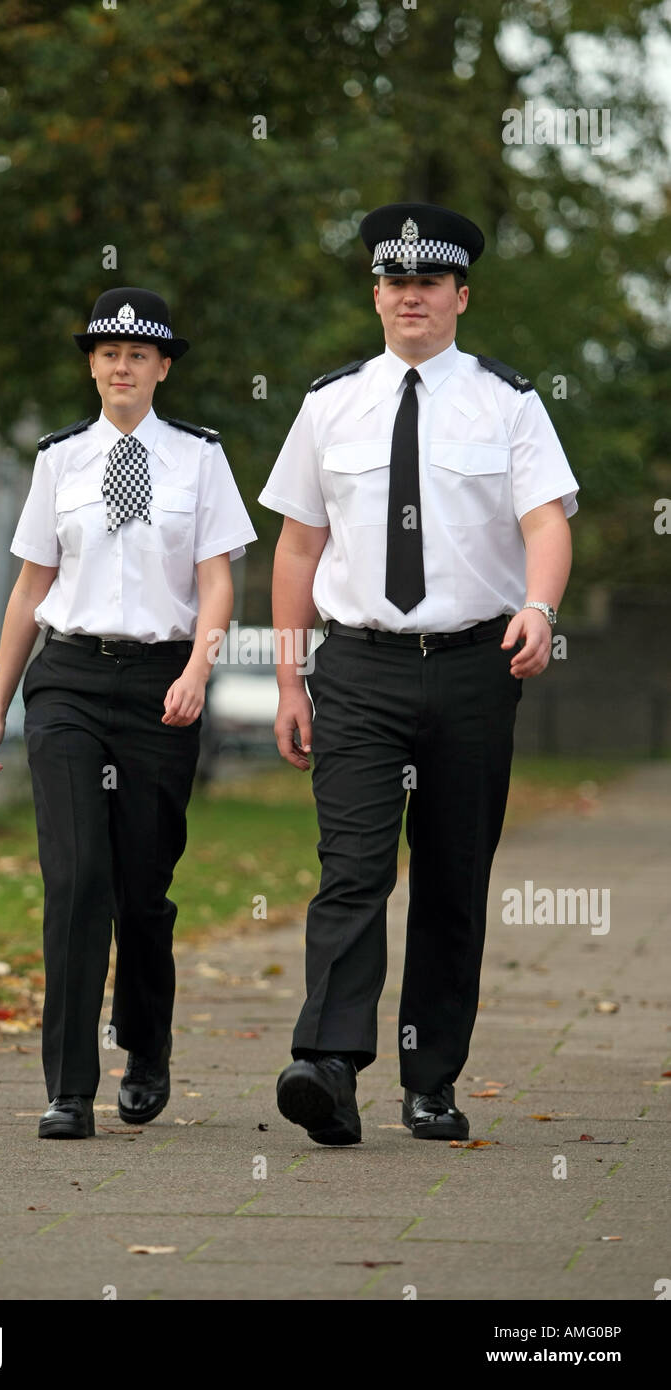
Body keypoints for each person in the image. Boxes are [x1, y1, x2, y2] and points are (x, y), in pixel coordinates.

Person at [258, 202, 578, 1146]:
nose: (411, 297)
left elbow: (548, 523)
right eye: (395, 282)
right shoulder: (329, 405)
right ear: (376, 293)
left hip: (477, 666)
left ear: (460, 296)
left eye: (429, 283)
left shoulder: (508, 402)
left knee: (449, 881)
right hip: (357, 667)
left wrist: (541, 608)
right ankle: (327, 1065)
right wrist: (287, 679)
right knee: (351, 870)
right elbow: (295, 548)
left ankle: (430, 1078)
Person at [0, 287, 256, 1139]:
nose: (121, 366)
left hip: (162, 686)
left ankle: (147, 1044)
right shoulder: (58, 460)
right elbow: (31, 588)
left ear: (163, 366)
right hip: (66, 683)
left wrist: (200, 671)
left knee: (142, 888)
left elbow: (216, 581)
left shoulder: (200, 458)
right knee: (76, 880)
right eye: (107, 353)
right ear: (91, 365)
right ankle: (68, 1088)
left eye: (138, 354)